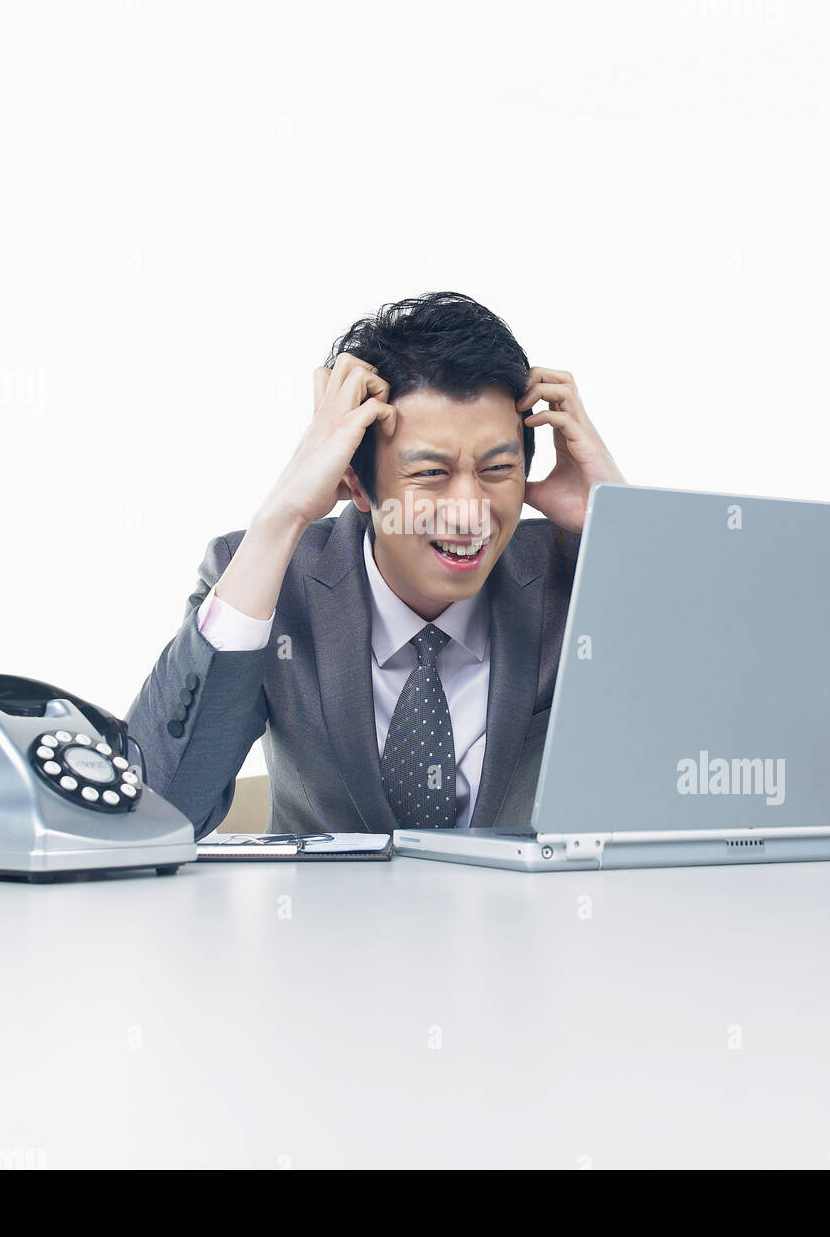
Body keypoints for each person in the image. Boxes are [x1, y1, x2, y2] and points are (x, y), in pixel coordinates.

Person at [126, 291, 625, 836]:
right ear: (357, 482)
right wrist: (282, 516)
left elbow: (719, 762)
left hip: (527, 921)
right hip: (323, 921)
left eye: (497, 468)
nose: (468, 513)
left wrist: (628, 523)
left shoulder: (578, 570)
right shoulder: (272, 578)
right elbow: (149, 816)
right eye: (430, 474)